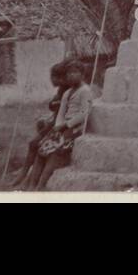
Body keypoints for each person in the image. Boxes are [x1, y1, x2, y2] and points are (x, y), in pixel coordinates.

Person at [25, 60, 94, 190]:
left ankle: (40, 186)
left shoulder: (85, 91)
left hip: (75, 128)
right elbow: (61, 111)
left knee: (53, 154)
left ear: (82, 75)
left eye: (75, 73)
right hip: (62, 127)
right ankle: (31, 185)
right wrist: (57, 126)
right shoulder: (67, 93)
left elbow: (84, 113)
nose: (71, 76)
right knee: (41, 149)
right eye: (69, 73)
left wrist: (66, 126)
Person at [10, 61, 70, 189]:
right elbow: (52, 106)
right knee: (34, 142)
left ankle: (25, 176)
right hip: (54, 123)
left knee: (34, 143)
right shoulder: (61, 90)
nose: (52, 80)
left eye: (54, 77)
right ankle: (24, 174)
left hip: (60, 127)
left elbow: (58, 116)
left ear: (62, 78)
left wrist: (45, 131)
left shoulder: (67, 92)